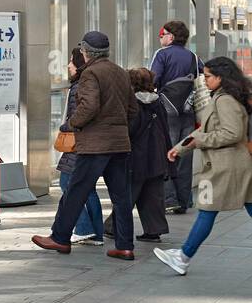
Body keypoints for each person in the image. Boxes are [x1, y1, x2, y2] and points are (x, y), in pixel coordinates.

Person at [33, 31, 137, 260]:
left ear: (86, 52)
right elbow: (133, 110)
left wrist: (71, 124)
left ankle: (60, 238)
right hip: (119, 143)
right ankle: (125, 245)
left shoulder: (90, 73)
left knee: (75, 190)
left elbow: (89, 106)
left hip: (95, 144)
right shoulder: (120, 72)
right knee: (121, 196)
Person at [155, 58, 252, 275]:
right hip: (235, 166)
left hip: (226, 168)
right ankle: (183, 256)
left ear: (221, 77)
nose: (204, 79)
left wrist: (198, 142)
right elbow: (204, 130)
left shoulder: (225, 100)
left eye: (208, 76)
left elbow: (232, 133)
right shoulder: (222, 97)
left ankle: (183, 257)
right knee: (248, 209)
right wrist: (181, 148)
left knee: (207, 211)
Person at [112, 68, 171, 244]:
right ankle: (154, 230)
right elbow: (165, 128)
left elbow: (130, 129)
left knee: (127, 193)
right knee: (153, 194)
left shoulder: (132, 104)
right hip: (157, 154)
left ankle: (112, 227)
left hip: (136, 156)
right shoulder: (158, 102)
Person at [150, 20, 203, 214]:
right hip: (188, 110)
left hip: (167, 110)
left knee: (167, 153)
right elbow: (203, 78)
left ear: (171, 36)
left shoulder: (162, 54)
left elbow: (153, 80)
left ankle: (169, 199)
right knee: (185, 153)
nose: (160, 38)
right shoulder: (193, 57)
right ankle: (184, 200)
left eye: (162, 34)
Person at [56, 48, 104, 245]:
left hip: (77, 144)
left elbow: (79, 116)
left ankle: (83, 228)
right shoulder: (88, 84)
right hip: (88, 144)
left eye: (71, 61)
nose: (68, 66)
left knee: (67, 184)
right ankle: (96, 233)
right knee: (88, 189)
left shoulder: (78, 87)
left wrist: (65, 126)